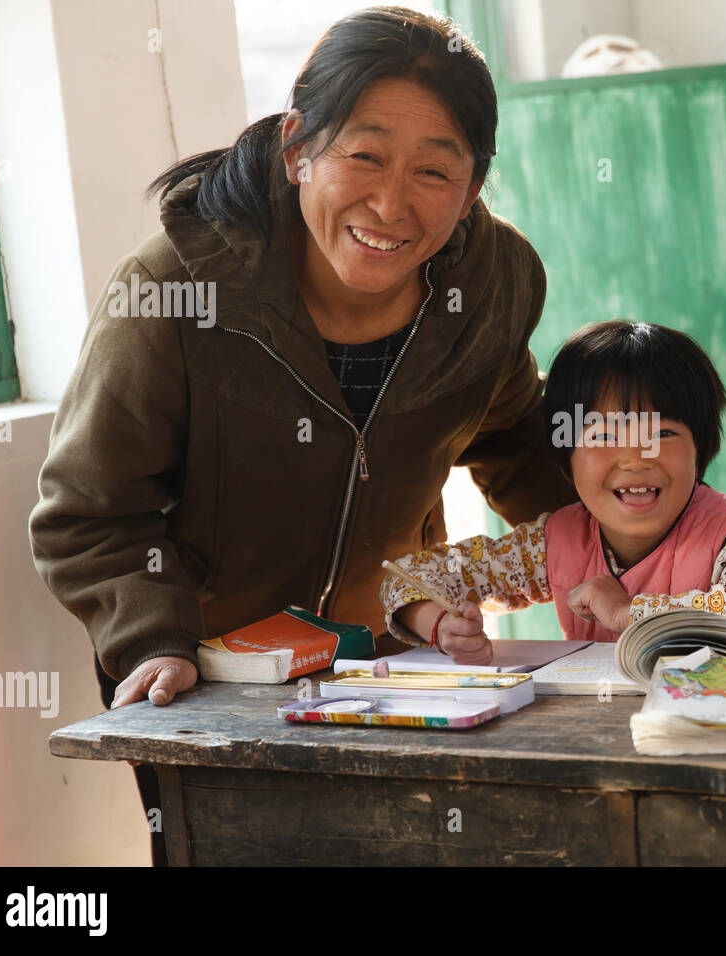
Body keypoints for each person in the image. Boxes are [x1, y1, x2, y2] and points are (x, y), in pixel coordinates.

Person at [28, 8, 576, 861]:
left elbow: (511, 438)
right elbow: (91, 511)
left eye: (435, 170)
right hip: (214, 682)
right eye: (363, 155)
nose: (391, 204)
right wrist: (153, 639)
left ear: (472, 188)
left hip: (396, 668)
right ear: (297, 149)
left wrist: (650, 569)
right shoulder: (177, 288)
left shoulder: (496, 282)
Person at [382, 320, 726, 663]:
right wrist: (440, 625)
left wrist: (629, 615)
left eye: (661, 432)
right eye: (603, 436)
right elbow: (411, 576)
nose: (635, 459)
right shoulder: (553, 543)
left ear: (700, 448)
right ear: (566, 455)